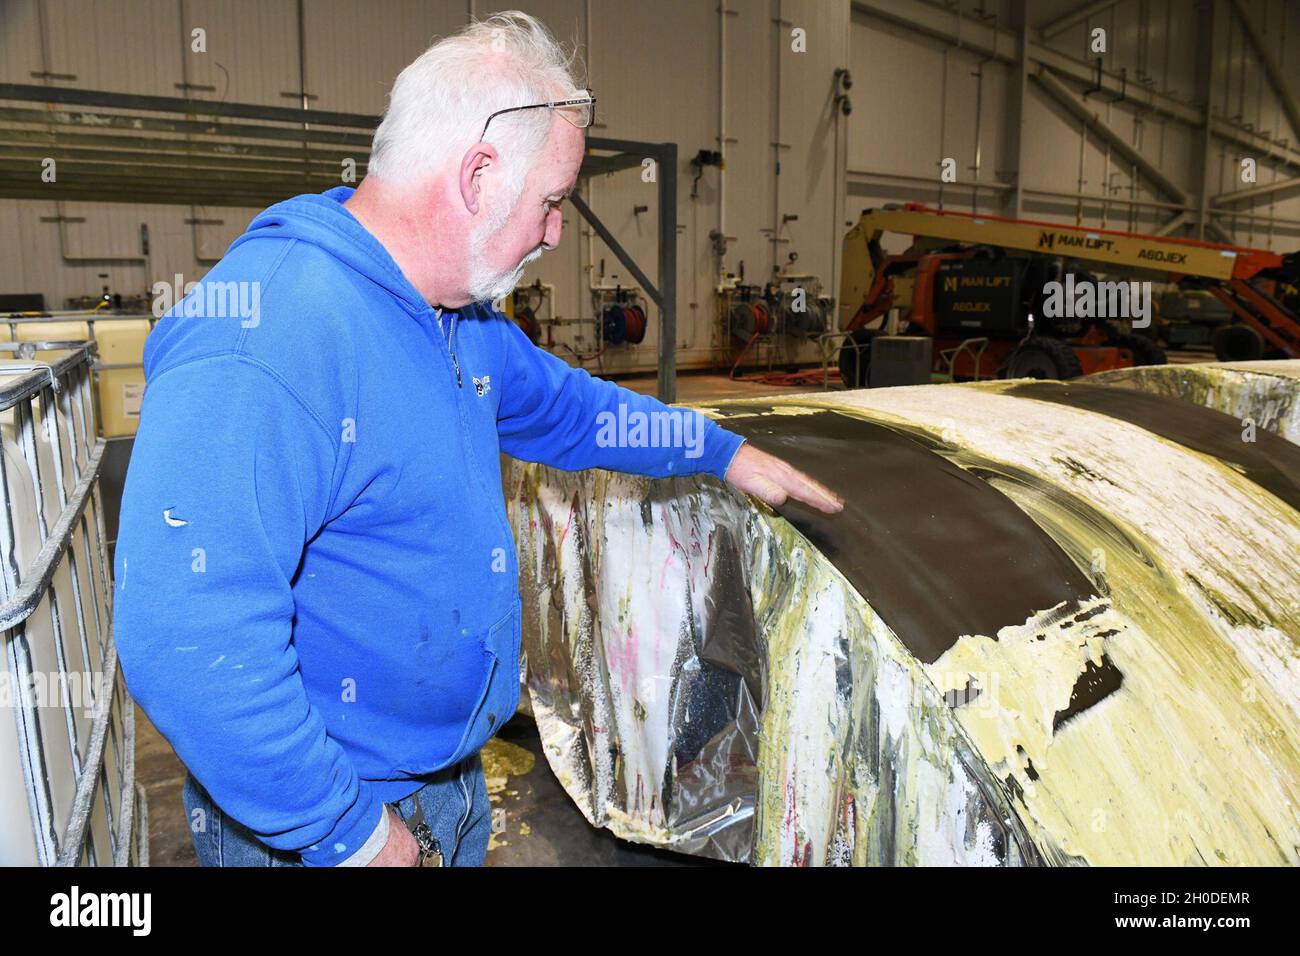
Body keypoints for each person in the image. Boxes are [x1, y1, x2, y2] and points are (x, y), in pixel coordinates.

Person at [114, 11, 841, 868]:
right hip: (331, 819)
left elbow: (574, 411)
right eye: (553, 202)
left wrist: (721, 451)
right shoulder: (269, 337)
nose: (555, 231)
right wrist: (345, 833)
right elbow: (187, 639)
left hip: (444, 785)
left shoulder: (455, 317)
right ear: (479, 174)